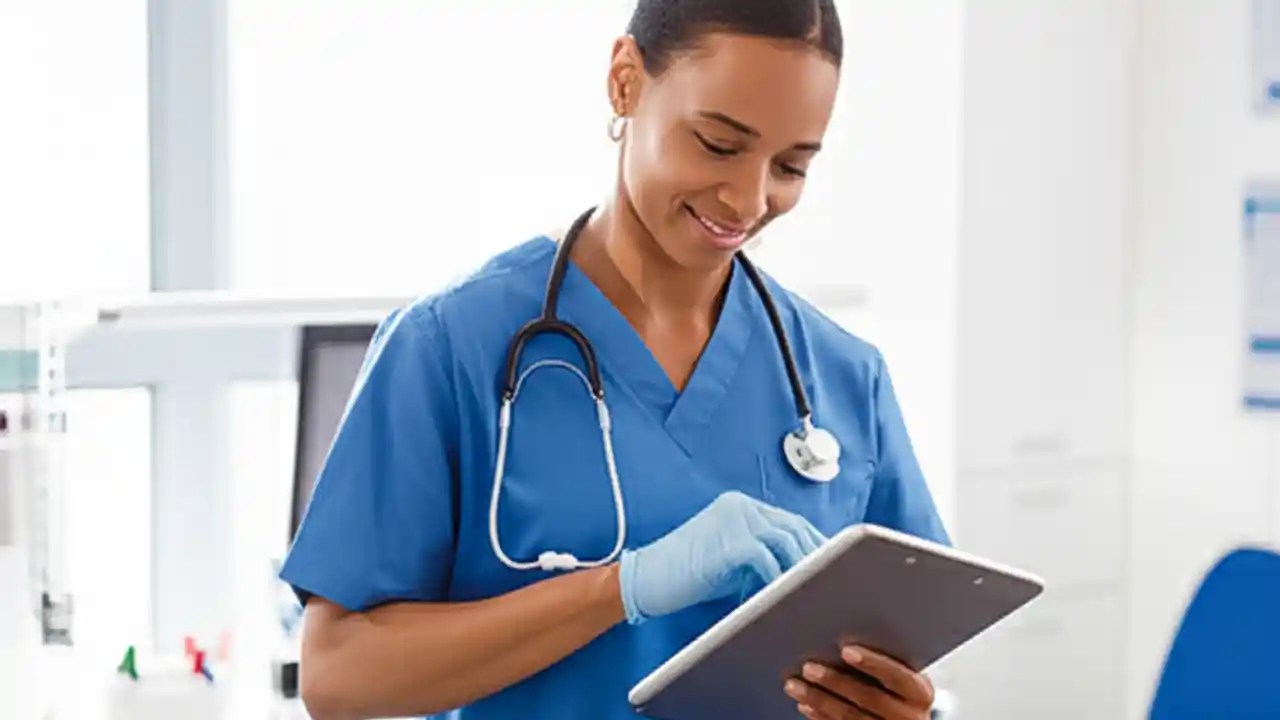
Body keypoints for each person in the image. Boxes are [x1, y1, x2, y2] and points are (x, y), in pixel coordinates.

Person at [279, 0, 950, 718]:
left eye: (791, 166)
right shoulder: (449, 348)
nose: (749, 199)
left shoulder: (844, 378)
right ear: (626, 81)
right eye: (718, 144)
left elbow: (898, 653)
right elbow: (337, 675)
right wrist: (622, 588)